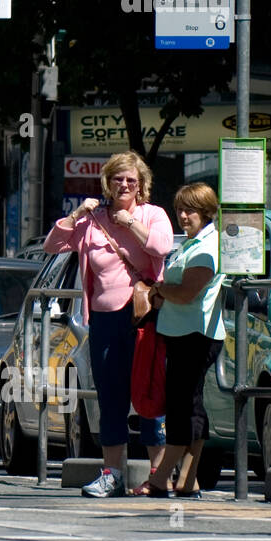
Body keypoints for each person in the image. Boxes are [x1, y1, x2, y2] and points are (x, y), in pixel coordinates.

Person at [44, 150, 171, 497]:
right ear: (108, 183)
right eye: (118, 179)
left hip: (143, 317)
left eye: (131, 179)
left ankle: (159, 476)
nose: (125, 184)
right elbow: (52, 245)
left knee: (149, 393)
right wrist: (76, 214)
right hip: (103, 320)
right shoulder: (93, 219)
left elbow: (162, 246)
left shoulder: (152, 214)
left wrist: (128, 222)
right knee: (110, 398)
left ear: (141, 184)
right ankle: (112, 473)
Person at [139, 183, 225, 497]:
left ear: (206, 212)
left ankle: (162, 478)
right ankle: (188, 480)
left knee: (181, 407)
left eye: (189, 210)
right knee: (191, 405)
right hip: (182, 334)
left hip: (194, 335)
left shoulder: (205, 246)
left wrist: (160, 291)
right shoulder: (191, 244)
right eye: (179, 209)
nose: (183, 216)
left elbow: (188, 293)